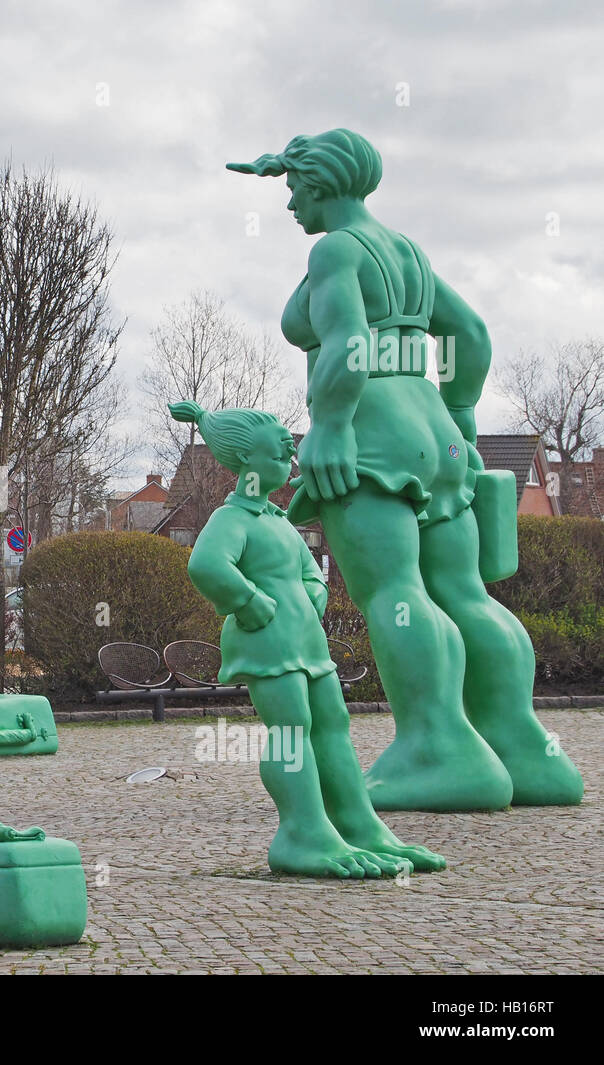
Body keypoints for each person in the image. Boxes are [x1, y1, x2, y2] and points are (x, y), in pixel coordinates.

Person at [227, 129, 581, 809]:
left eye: (297, 189)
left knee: (395, 591)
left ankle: (438, 746)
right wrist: (461, 417)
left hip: (373, 425)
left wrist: (330, 425)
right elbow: (470, 333)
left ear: (323, 185)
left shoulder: (333, 248)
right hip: (433, 422)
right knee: (464, 590)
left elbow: (349, 339)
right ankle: (522, 748)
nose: (291, 203)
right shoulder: (407, 252)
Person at [175, 400, 444, 877]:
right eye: (279, 455)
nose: (289, 462)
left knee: (333, 724)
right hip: (268, 641)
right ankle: (302, 832)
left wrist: (316, 590)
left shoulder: (278, 523)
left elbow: (309, 570)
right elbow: (206, 565)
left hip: (307, 641)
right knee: (291, 728)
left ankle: (357, 824)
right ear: (245, 460)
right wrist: (248, 601)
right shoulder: (231, 520)